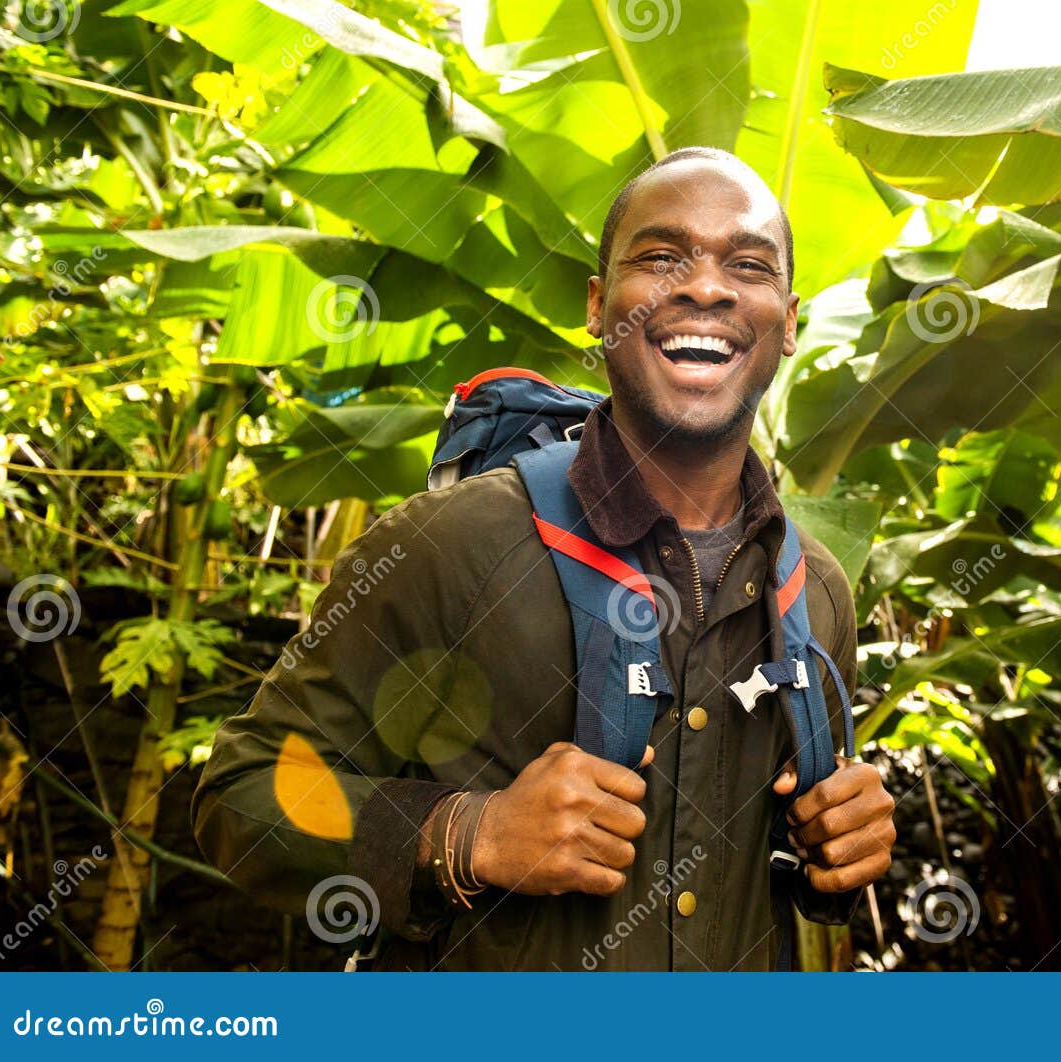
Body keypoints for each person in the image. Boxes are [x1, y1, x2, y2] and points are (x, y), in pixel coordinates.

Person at [192, 147, 896, 970]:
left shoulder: (816, 594)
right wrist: (468, 833)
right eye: (662, 257)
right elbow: (240, 800)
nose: (706, 288)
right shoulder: (451, 545)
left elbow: (770, 865)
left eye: (747, 265)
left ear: (789, 322)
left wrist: (835, 853)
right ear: (599, 306)